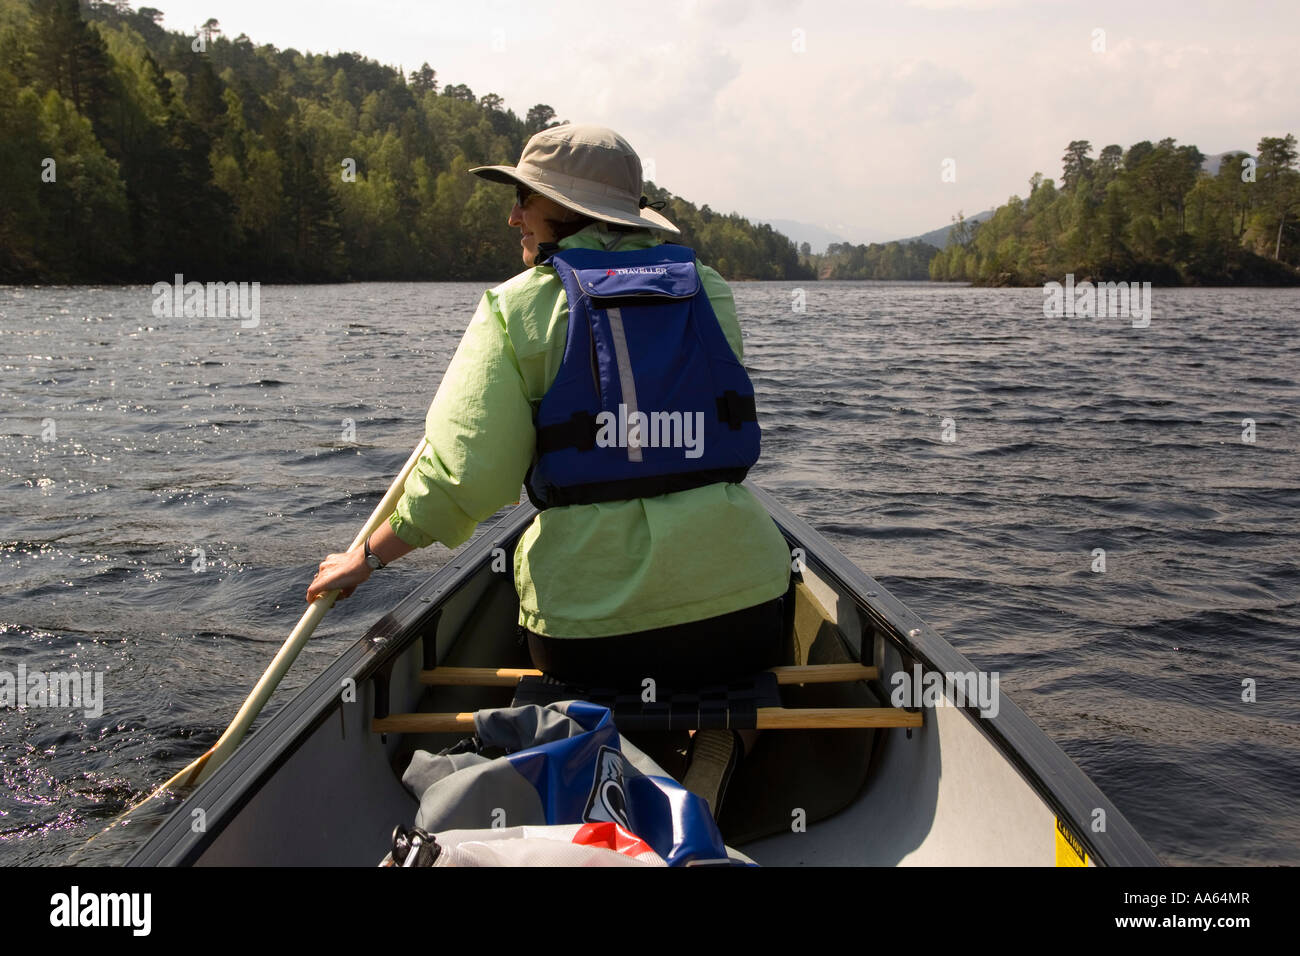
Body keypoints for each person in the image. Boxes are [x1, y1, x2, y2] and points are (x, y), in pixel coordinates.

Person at [306, 123, 791, 696]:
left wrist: (365, 556)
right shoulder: (708, 287)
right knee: (728, 662)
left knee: (574, 656)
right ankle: (729, 740)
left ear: (564, 209)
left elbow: (467, 479)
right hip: (749, 611)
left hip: (592, 636)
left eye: (522, 200)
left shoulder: (515, 305)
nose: (513, 218)